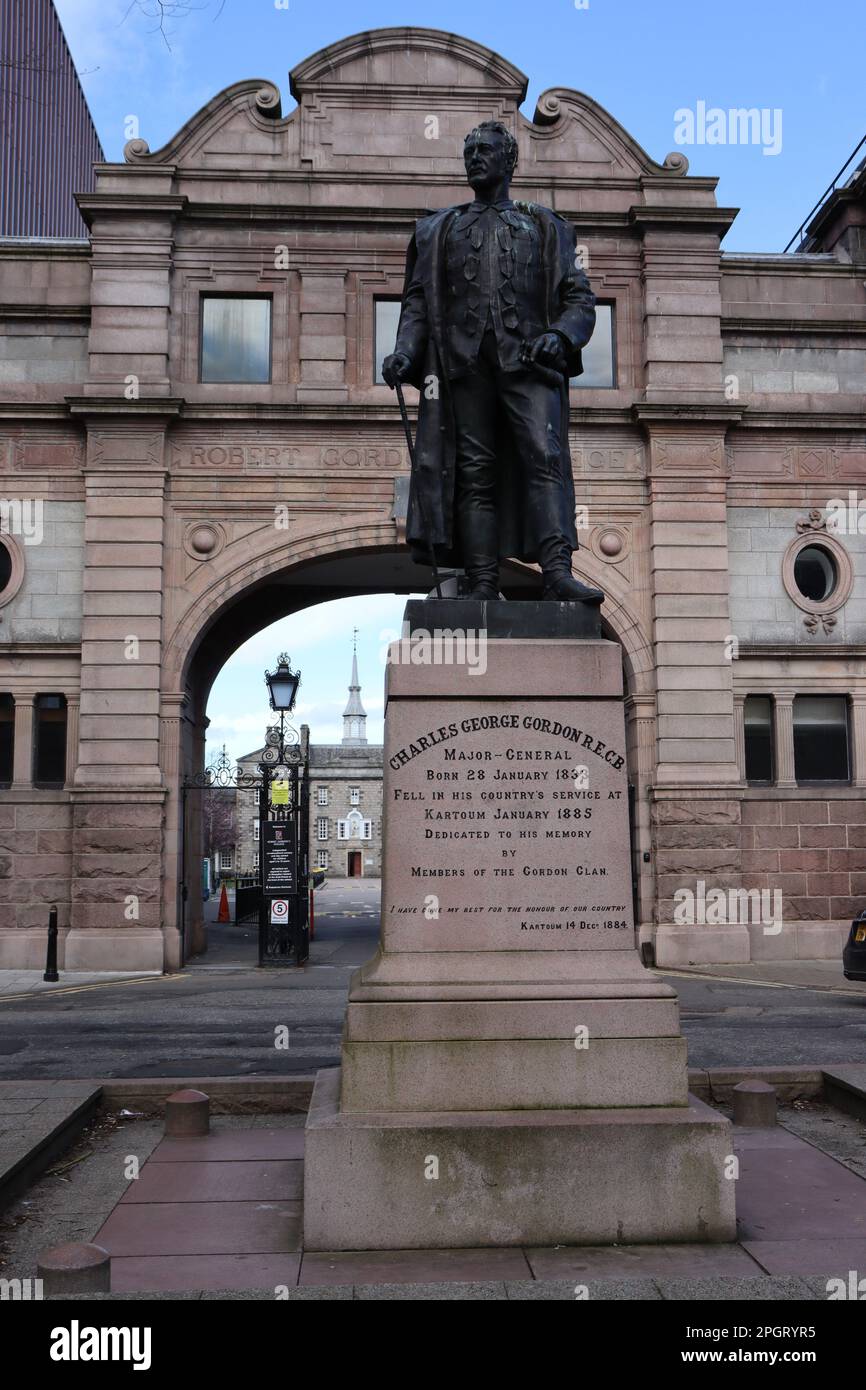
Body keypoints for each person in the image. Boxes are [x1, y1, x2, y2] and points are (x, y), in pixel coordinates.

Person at [383, 119, 603, 603]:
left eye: (485, 149)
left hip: (528, 365)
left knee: (544, 459)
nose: (475, 157)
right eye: (469, 151)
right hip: (462, 368)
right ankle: (482, 581)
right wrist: (404, 352)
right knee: (472, 472)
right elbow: (417, 302)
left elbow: (579, 300)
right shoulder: (437, 230)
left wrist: (559, 337)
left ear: (510, 161)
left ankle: (557, 571)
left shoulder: (547, 226)